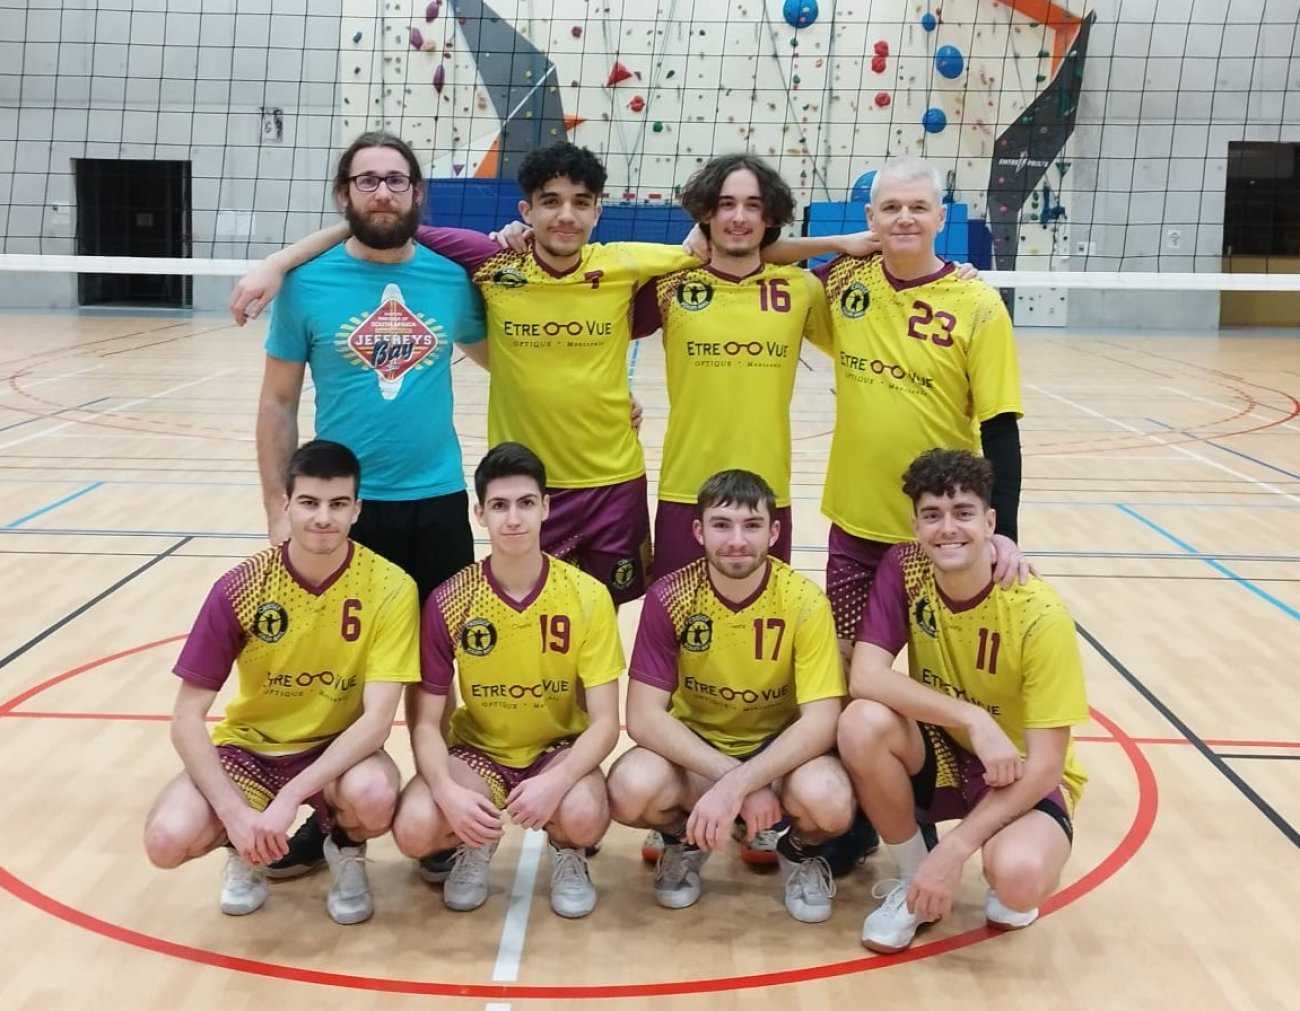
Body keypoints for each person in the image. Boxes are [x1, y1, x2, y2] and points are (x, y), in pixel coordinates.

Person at [249, 131, 486, 883]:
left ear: (417, 192)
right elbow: (278, 403)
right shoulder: (308, 284)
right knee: (335, 675)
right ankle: (332, 823)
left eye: (396, 179)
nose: (382, 192)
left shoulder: (451, 279)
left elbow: (516, 363)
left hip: (437, 503)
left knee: (437, 677)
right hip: (342, 513)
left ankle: (439, 818)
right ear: (344, 194)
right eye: (367, 180)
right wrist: (279, 508)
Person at [142, 440, 420, 925]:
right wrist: (234, 815)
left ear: (357, 510)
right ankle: (243, 849)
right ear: (285, 504)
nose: (323, 518)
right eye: (309, 502)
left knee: (375, 797)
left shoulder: (391, 587)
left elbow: (377, 721)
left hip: (337, 750)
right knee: (166, 840)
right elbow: (186, 717)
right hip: (251, 750)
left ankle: (344, 848)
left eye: (338, 504)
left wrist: (290, 796)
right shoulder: (242, 586)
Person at [836, 448, 1088, 952]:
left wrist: (954, 849)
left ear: (990, 522)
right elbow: (865, 675)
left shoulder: (1039, 614)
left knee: (1017, 879)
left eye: (963, 513)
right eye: (932, 515)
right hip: (943, 750)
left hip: (1016, 768)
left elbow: (1045, 766)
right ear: (916, 526)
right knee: (861, 722)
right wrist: (971, 718)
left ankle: (970, 857)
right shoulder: (905, 567)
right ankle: (913, 880)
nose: (947, 528)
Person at [606, 469, 854, 923]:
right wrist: (731, 780)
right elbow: (642, 716)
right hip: (698, 755)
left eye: (751, 525)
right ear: (699, 531)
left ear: (773, 532)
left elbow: (822, 721)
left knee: (831, 800)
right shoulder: (671, 596)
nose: (736, 541)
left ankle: (799, 851)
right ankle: (685, 839)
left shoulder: (804, 601)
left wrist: (744, 783)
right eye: (722, 525)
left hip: (779, 760)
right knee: (629, 789)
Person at [812, 156, 1030, 666]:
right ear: (870, 217)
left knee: (947, 676)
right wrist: (835, 244)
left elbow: (1000, 428)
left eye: (918, 207)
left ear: (941, 216)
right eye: (891, 208)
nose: (905, 218)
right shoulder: (843, 281)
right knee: (847, 672)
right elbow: (758, 266)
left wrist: (1004, 533)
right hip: (857, 526)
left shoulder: (978, 304)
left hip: (945, 531)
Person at [392, 442, 624, 919]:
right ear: (479, 513)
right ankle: (475, 842)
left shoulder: (587, 595)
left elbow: (605, 723)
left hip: (556, 749)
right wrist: (446, 791)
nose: (514, 519)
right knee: (414, 828)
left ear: (545, 508)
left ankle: (568, 850)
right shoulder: (450, 599)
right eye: (499, 506)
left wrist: (557, 780)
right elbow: (426, 723)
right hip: (479, 754)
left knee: (584, 816)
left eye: (525, 503)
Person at [631, 154, 833, 580]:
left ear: (769, 216)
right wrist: (614, 394)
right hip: (686, 488)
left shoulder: (803, 289)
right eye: (726, 204)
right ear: (706, 212)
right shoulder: (670, 283)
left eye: (752, 205)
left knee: (763, 617)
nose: (739, 217)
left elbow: (864, 346)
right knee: (678, 616)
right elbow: (595, 329)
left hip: (767, 492)